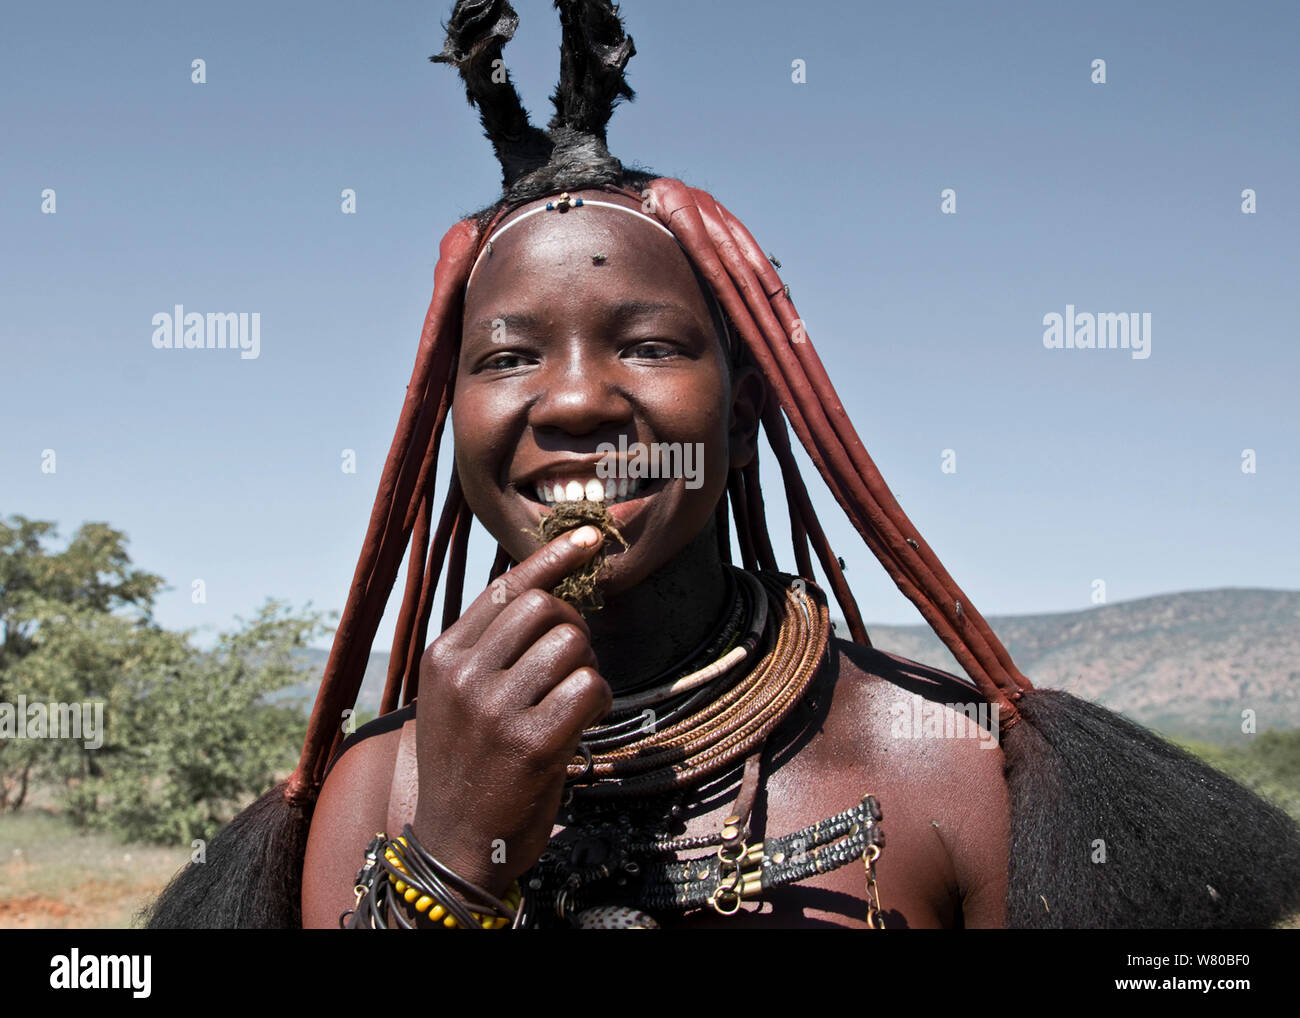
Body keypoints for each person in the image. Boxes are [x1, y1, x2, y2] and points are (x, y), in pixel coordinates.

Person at [145, 0, 1300, 930]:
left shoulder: (947, 779)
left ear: (743, 412)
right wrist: (451, 861)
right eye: (507, 356)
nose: (579, 398)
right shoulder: (376, 796)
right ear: (449, 423)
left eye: (646, 345)